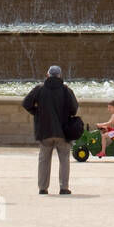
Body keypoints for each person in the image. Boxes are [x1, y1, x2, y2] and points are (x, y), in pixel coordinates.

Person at [23, 65, 79, 194]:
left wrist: (36, 112)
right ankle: (64, 187)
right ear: (60, 76)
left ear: (47, 75)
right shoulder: (66, 90)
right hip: (63, 131)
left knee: (44, 160)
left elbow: (26, 103)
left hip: (45, 130)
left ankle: (43, 188)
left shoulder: (39, 89)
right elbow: (74, 108)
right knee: (64, 159)